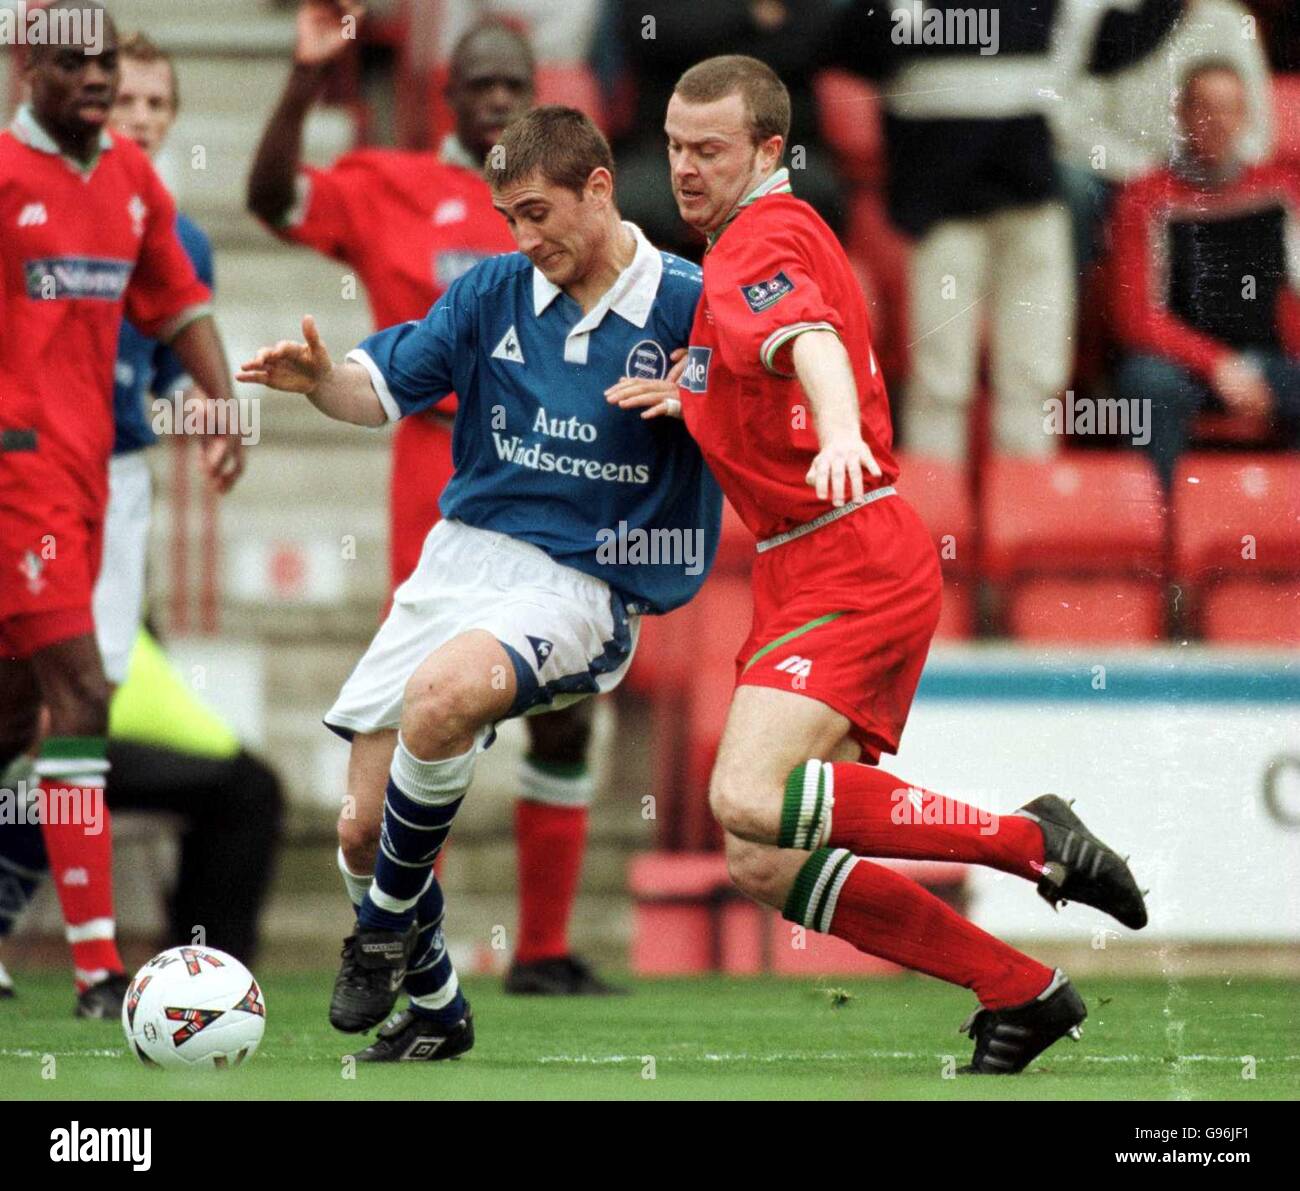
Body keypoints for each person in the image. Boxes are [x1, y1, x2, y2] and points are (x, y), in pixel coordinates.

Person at [608, 55, 1148, 1074]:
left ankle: (1031, 842)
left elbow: (806, 339)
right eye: (675, 146)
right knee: (765, 859)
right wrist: (696, 402)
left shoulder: (754, 241)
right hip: (818, 561)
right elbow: (765, 354)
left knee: (745, 797)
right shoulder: (757, 235)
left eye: (708, 150)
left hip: (846, 557)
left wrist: (839, 431)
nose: (683, 167)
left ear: (769, 151)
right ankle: (1021, 991)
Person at [239, 106, 721, 1061]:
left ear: (598, 188)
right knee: (358, 827)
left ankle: (379, 929)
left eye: (538, 213)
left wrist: (704, 397)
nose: (523, 238)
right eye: (509, 218)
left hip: (586, 581)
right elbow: (376, 392)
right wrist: (318, 379)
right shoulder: (493, 290)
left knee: (441, 696)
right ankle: (437, 1007)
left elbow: (775, 403)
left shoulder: (691, 301)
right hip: (460, 559)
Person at [247, 1, 615, 995]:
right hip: (437, 465)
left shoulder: (572, 213)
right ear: (442, 95)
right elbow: (273, 199)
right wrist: (303, 76)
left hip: (564, 462)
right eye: (478, 87)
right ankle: (416, 951)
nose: (495, 103)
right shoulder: (388, 185)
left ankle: (542, 951)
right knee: (427, 707)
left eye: (512, 88)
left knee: (566, 715)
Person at [0, 33, 276, 1004]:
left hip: (89, 479)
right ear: (24, 67)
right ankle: (99, 971)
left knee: (12, 715)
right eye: (75, 70)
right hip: (14, 476)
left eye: (104, 74)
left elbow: (176, 300)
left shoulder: (126, 181)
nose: (95, 86)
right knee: (80, 694)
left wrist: (221, 402)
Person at [1109, 59, 1300, 487]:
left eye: (1230, 109)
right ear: (1182, 114)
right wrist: (1219, 365)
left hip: (1268, 361)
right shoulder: (1145, 198)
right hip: (1181, 366)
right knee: (1148, 382)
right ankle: (1158, 534)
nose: (1217, 122)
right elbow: (1136, 317)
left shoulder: (1280, 192)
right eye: (1205, 108)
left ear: (1246, 115)